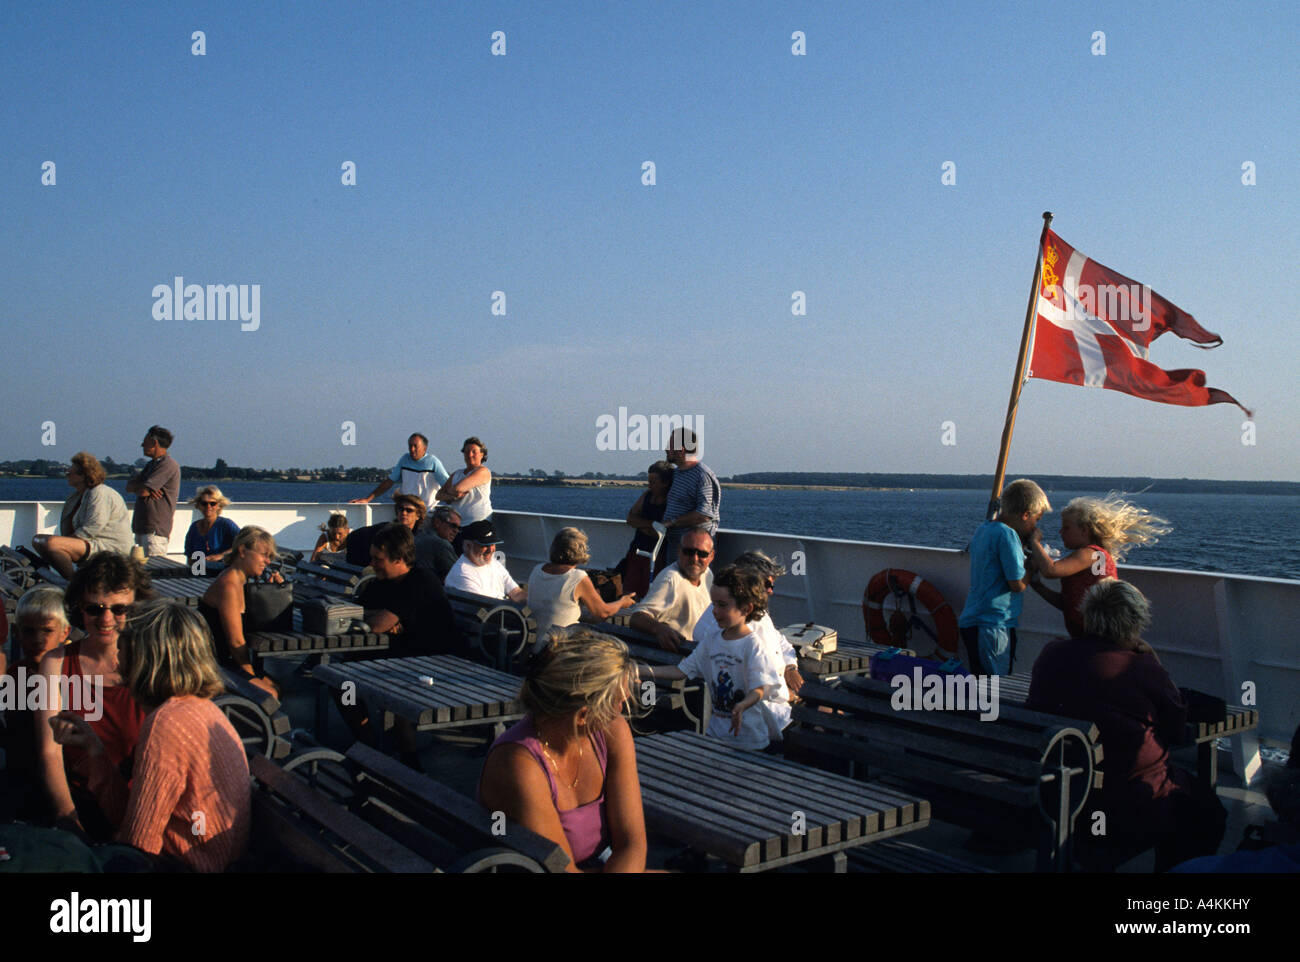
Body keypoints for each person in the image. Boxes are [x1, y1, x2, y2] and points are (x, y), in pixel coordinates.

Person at [1026, 579, 1227, 872]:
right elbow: (1175, 729)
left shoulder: (1052, 654)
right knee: (1207, 813)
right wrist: (1155, 663)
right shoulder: (1140, 667)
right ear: (1134, 622)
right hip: (1128, 802)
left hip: (1060, 797)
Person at [48, 601, 251, 872]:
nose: (117, 659)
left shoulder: (167, 724)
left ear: (145, 658)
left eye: (123, 650)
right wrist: (95, 750)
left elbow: (138, 845)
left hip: (184, 866)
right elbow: (134, 819)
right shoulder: (199, 707)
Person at [478, 629, 650, 872]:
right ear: (582, 716)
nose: (621, 708)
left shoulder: (612, 732)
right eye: (616, 701)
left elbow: (632, 844)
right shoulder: (518, 763)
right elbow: (563, 869)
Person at [36, 553, 151, 841]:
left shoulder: (149, 663)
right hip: (80, 804)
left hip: (139, 805)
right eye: (95, 609)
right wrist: (69, 820)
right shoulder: (55, 663)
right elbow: (49, 752)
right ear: (80, 609)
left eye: (119, 609)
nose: (107, 618)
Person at [338, 524, 462, 765]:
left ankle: (408, 759)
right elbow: (357, 612)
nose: (372, 563)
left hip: (435, 662)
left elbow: (375, 625)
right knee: (341, 681)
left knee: (393, 694)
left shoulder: (420, 581)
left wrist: (382, 617)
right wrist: (382, 616)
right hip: (401, 654)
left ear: (399, 560)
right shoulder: (380, 583)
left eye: (378, 559)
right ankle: (369, 744)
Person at [641, 565, 781, 751]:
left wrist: (742, 705)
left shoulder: (752, 646)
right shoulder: (712, 640)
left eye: (722, 605)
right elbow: (681, 671)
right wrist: (641, 670)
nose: (715, 611)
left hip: (748, 741)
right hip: (715, 734)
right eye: (713, 604)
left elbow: (759, 689)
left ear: (746, 608)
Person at [1027, 494, 1170, 638]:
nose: (1061, 532)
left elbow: (1051, 570)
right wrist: (1037, 585)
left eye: (1067, 528)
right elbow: (1069, 604)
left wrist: (1035, 542)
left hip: (1097, 638)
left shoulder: (1092, 554)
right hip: (1093, 637)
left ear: (1084, 530)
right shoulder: (1098, 557)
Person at [957, 478, 1050, 675]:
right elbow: (1017, 583)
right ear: (1026, 515)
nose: (1036, 526)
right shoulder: (1008, 535)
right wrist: (1032, 566)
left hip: (973, 619)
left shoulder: (984, 529)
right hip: (993, 624)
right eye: (1037, 519)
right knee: (994, 687)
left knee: (979, 679)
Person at [0, 587, 72, 821]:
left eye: (47, 631)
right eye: (29, 631)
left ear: (65, 632)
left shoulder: (72, 676)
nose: (38, 639)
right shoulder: (15, 674)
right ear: (17, 633)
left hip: (66, 781)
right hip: (21, 779)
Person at [198, 526, 283, 697]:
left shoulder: (238, 581)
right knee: (270, 694)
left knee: (275, 687)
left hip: (224, 662)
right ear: (243, 551)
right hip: (218, 666)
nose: (267, 562)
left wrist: (273, 590)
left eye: (270, 557)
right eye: (264, 555)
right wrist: (250, 675)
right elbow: (235, 642)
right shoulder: (228, 586)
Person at [527, 528, 636, 645]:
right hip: (559, 646)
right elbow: (603, 612)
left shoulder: (537, 569)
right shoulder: (577, 577)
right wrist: (622, 602)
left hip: (534, 644)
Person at [32, 452, 133, 578]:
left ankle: (73, 582)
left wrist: (67, 541)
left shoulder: (99, 493)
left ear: (83, 475)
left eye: (70, 473)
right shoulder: (77, 496)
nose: (66, 475)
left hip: (109, 547)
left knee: (49, 543)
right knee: (38, 540)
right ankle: (72, 579)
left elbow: (94, 526)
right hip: (92, 543)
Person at [626, 528, 714, 652]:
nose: (695, 559)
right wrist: (659, 629)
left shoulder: (707, 574)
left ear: (711, 556)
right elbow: (637, 618)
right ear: (678, 551)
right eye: (688, 552)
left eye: (702, 554)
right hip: (681, 654)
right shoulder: (671, 580)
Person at [660, 428, 720, 563]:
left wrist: (671, 522)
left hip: (693, 553)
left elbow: (704, 514)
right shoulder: (677, 473)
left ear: (681, 450)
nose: (665, 449)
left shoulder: (702, 476)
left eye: (669, 446)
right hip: (677, 546)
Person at [349, 432, 450, 512]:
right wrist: (368, 499)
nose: (412, 449)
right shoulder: (405, 459)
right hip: (407, 511)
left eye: (415, 446)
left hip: (426, 512)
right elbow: (389, 482)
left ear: (424, 448)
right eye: (410, 446)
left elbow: (448, 484)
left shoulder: (433, 462)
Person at [617, 461, 674, 595]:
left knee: (653, 594)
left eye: (653, 482)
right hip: (636, 551)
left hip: (658, 555)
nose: (649, 485)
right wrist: (652, 524)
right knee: (630, 592)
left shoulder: (672, 502)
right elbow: (630, 518)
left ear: (665, 483)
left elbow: (660, 533)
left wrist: (641, 523)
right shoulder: (647, 495)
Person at [125, 425, 181, 557]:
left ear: (154, 443)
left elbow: (143, 491)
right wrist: (144, 487)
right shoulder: (151, 465)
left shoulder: (168, 465)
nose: (142, 445)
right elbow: (129, 487)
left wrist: (143, 487)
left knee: (154, 570)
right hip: (142, 528)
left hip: (155, 531)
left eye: (145, 442)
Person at [444, 519, 527, 602]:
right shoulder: (463, 574)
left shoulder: (493, 563)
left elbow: (516, 593)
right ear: (468, 546)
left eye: (493, 544)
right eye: (485, 545)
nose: (490, 550)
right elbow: (483, 609)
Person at [345, 494, 425, 567]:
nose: (404, 513)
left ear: (418, 515)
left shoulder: (422, 538)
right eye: (401, 509)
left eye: (409, 510)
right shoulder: (384, 530)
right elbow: (354, 536)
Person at [435, 437, 493, 529]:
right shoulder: (457, 474)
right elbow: (438, 495)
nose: (470, 455)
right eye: (466, 452)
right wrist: (452, 496)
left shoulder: (483, 471)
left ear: (482, 454)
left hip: (478, 524)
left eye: (474, 452)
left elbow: (458, 489)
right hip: (457, 525)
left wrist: (449, 492)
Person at [182, 486, 241, 564]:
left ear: (219, 506)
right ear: (199, 505)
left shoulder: (226, 525)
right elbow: (190, 558)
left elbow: (244, 543)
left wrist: (221, 555)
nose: (208, 506)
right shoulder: (194, 528)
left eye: (212, 503)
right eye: (204, 503)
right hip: (200, 572)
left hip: (222, 571)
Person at [414, 506, 460, 580]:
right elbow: (457, 573)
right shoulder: (441, 544)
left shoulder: (419, 536)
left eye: (458, 528)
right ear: (437, 522)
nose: (456, 531)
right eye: (453, 526)